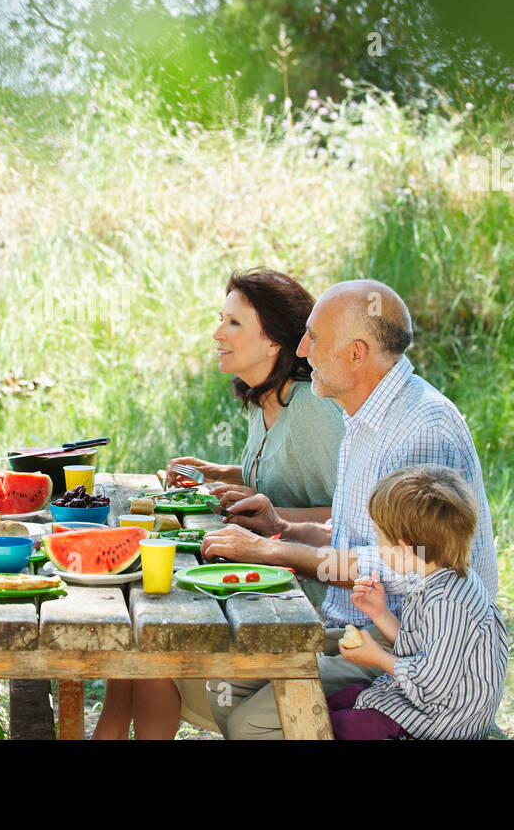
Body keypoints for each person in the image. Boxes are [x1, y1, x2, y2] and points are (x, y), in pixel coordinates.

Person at [202, 279, 499, 739]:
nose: (302, 351)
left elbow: (406, 566)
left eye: (314, 338)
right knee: (225, 683)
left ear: (356, 354)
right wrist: (281, 528)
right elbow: (351, 538)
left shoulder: (421, 429)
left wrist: (273, 552)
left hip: (413, 647)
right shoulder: (363, 416)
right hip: (357, 625)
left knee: (251, 725)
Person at [93, 269, 345, 739]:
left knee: (150, 657)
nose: (217, 334)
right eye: (220, 319)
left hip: (304, 610)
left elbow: (356, 515)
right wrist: (222, 473)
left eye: (234, 323)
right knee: (130, 655)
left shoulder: (311, 409)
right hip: (263, 588)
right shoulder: (265, 401)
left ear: (274, 342)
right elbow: (280, 476)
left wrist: (272, 519)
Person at [330, 465, 506, 740]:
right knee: (339, 698)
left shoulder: (450, 603)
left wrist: (379, 658)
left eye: (379, 537)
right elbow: (419, 649)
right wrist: (380, 613)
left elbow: (432, 682)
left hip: (441, 722)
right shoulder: (438, 581)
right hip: (422, 703)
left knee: (339, 726)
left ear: (404, 549)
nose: (376, 544)